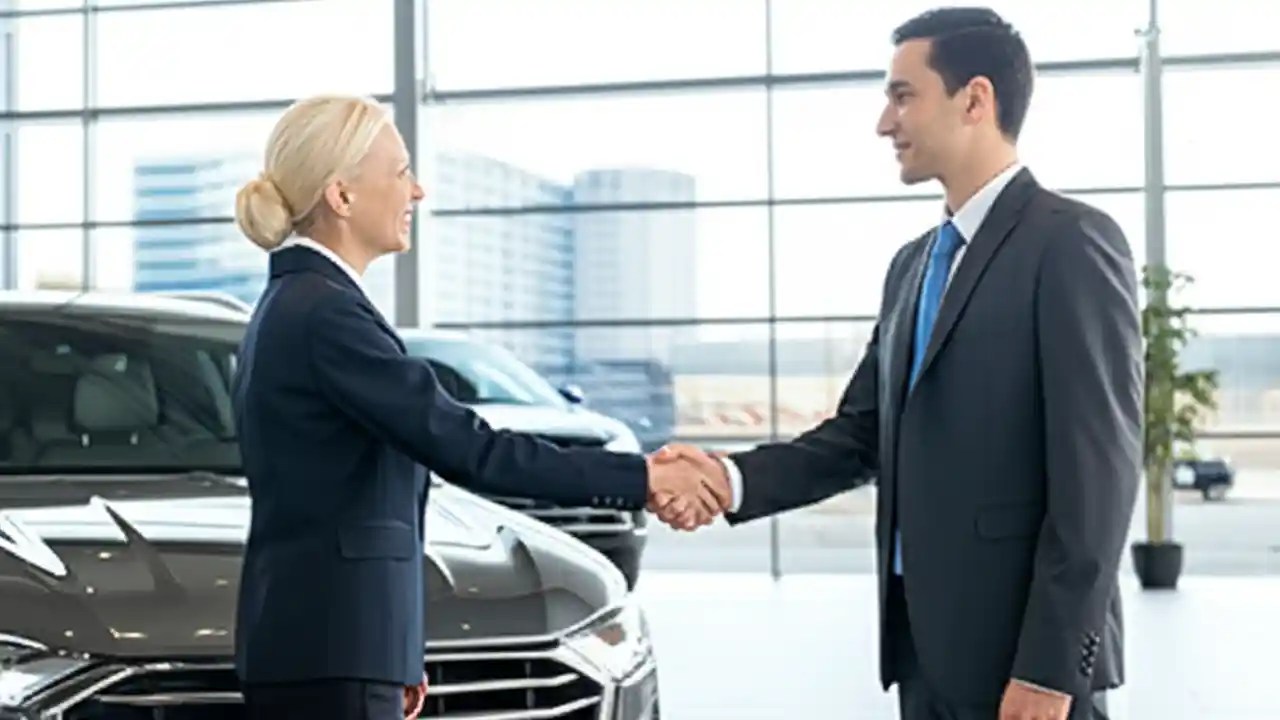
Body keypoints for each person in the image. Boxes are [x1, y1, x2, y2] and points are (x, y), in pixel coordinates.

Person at [653, 8, 1140, 720]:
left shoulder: (1070, 244)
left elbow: (1099, 480)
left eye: (903, 95)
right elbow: (860, 435)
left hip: (1024, 664)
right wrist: (728, 480)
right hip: (924, 649)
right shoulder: (912, 267)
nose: (885, 122)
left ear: (975, 99)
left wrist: (1050, 668)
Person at [229, 95, 728, 720]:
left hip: (336, 644)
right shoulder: (325, 314)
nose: (417, 191)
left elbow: (351, 498)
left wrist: (396, 654)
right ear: (342, 195)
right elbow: (471, 449)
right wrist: (645, 477)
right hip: (333, 648)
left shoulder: (300, 302)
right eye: (400, 171)